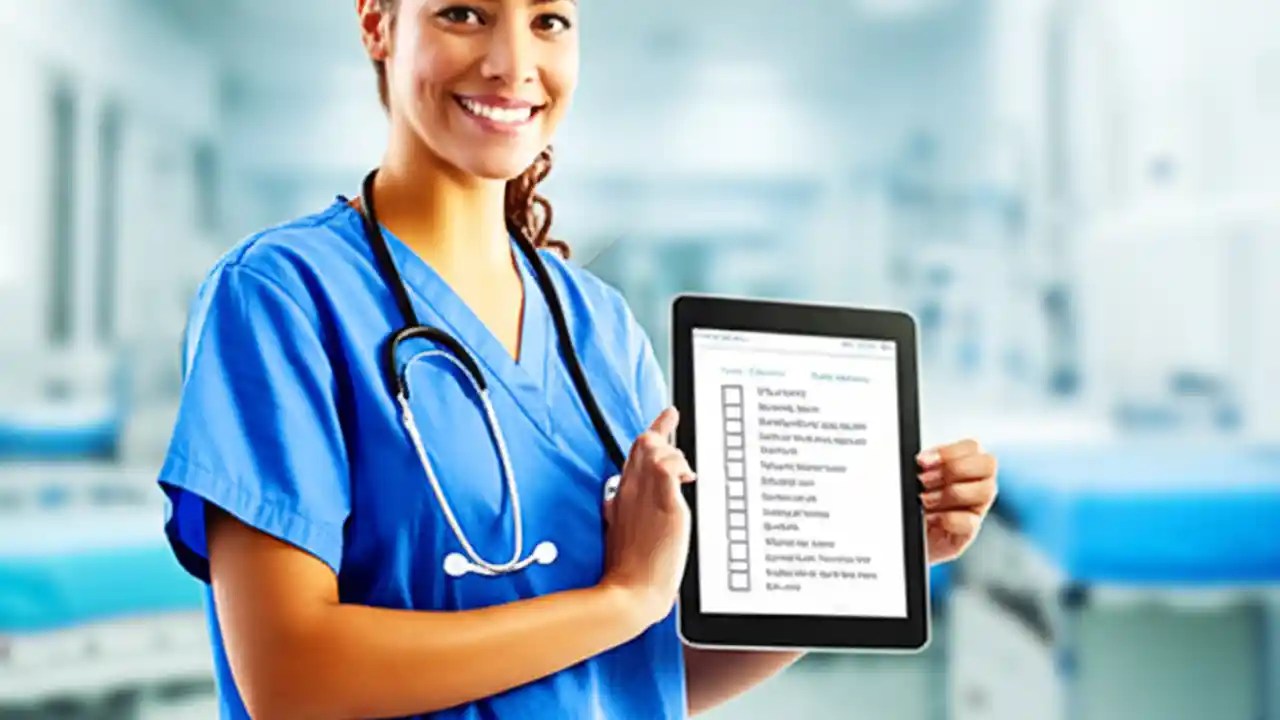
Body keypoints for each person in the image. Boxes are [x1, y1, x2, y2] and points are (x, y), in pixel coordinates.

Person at [156, 0, 1000, 718]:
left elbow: (644, 669)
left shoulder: (599, 326)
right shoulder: (282, 296)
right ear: (378, 23)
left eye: (549, 21)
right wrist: (621, 599)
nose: (511, 63)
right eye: (463, 13)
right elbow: (291, 678)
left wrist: (878, 559)